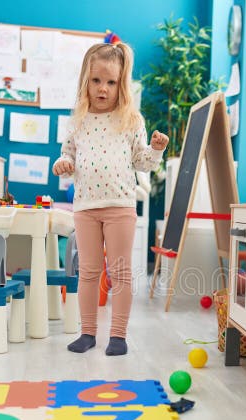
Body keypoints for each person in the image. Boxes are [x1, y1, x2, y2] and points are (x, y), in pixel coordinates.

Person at [53, 42, 168, 356]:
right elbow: (67, 156)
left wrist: (156, 149)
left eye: (111, 82)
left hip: (120, 207)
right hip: (86, 207)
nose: (102, 89)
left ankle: (118, 335)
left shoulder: (131, 121)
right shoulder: (77, 121)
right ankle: (87, 332)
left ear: (122, 85)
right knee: (88, 272)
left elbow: (142, 162)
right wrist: (61, 164)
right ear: (85, 81)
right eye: (96, 81)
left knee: (119, 273)